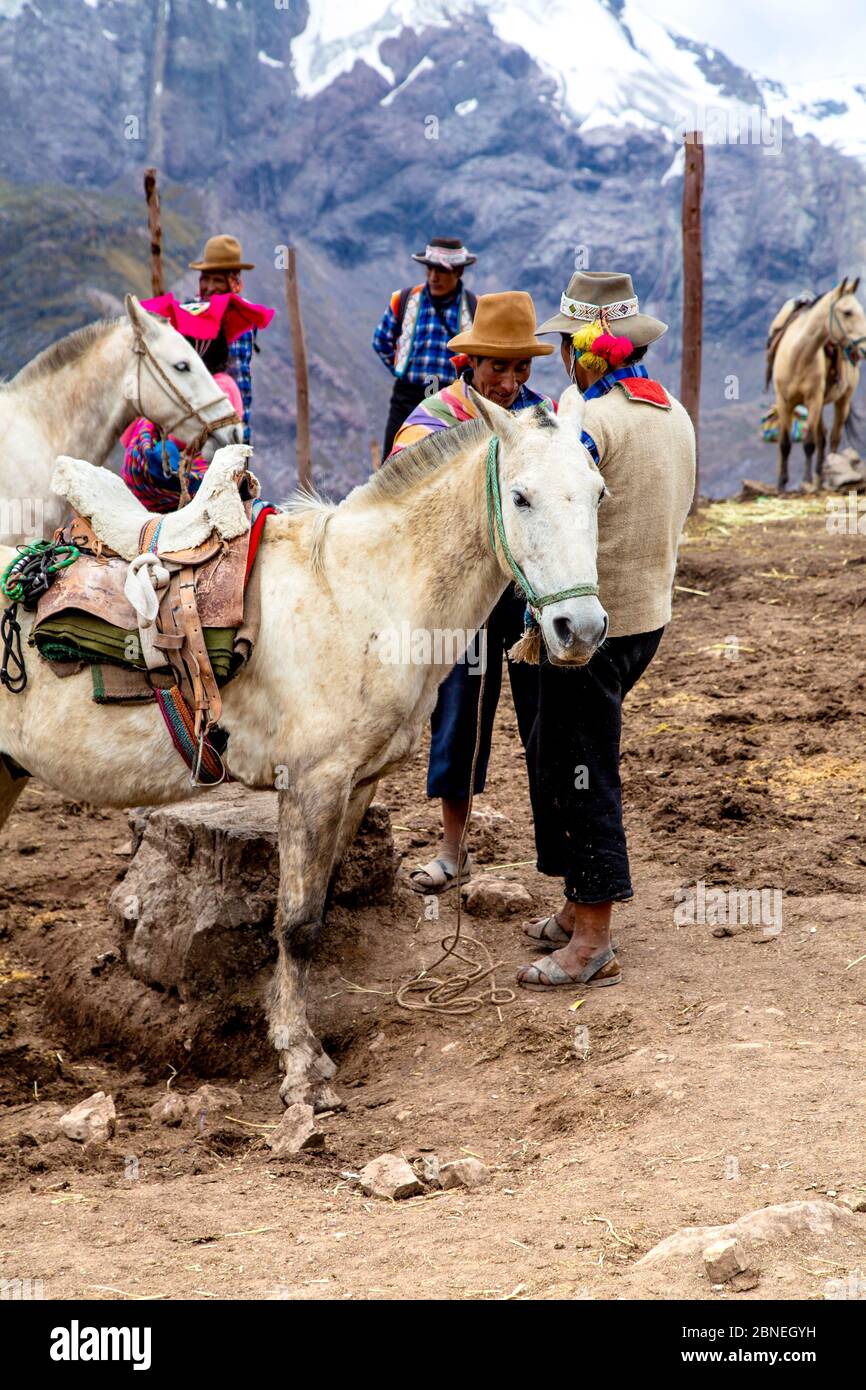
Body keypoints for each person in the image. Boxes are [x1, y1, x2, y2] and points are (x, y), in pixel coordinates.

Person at [516, 270, 696, 990]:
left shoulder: (588, 424)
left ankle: (592, 940)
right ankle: (574, 907)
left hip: (589, 629)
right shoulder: (672, 412)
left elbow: (560, 516)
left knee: (580, 766)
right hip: (647, 615)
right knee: (574, 754)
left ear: (578, 354)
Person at [391, 292, 555, 895]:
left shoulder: (542, 420)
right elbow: (403, 505)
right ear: (472, 363)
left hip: (526, 593)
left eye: (520, 369)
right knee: (458, 714)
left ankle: (556, 852)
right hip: (460, 598)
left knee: (546, 713)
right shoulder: (434, 423)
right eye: (497, 368)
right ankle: (452, 848)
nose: (510, 383)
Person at [121, 291, 272, 511]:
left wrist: (162, 439)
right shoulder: (180, 387)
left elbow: (191, 437)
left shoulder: (223, 386)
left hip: (198, 477)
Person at [372, 236, 478, 458]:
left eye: (441, 271)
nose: (433, 277)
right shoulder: (404, 300)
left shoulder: (475, 307)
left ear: (458, 272)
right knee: (394, 464)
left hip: (452, 397)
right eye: (429, 270)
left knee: (446, 464)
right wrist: (401, 368)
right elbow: (381, 341)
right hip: (407, 395)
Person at [188, 234, 272, 444]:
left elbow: (237, 375)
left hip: (229, 418)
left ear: (234, 282)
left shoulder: (241, 317)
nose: (208, 286)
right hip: (192, 419)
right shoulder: (189, 311)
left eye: (217, 280)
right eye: (205, 278)